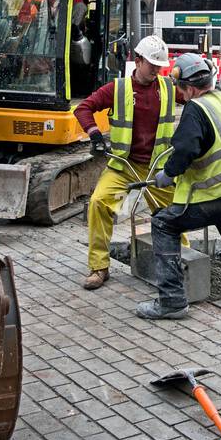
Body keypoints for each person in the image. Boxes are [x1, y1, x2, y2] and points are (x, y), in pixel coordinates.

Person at [137, 53, 221, 320]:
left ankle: (172, 302)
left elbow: (186, 148)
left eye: (181, 89)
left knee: (164, 223)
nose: (181, 95)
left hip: (216, 194)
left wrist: (168, 174)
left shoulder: (196, 109)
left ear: (189, 87)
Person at [73, 35, 178, 291]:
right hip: (123, 166)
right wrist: (95, 134)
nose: (156, 69)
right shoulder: (118, 89)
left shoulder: (168, 87)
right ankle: (99, 267)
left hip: (157, 169)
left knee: (175, 215)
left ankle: (179, 265)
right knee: (99, 203)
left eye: (159, 65)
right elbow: (83, 109)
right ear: (138, 60)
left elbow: (198, 98)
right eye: (151, 64)